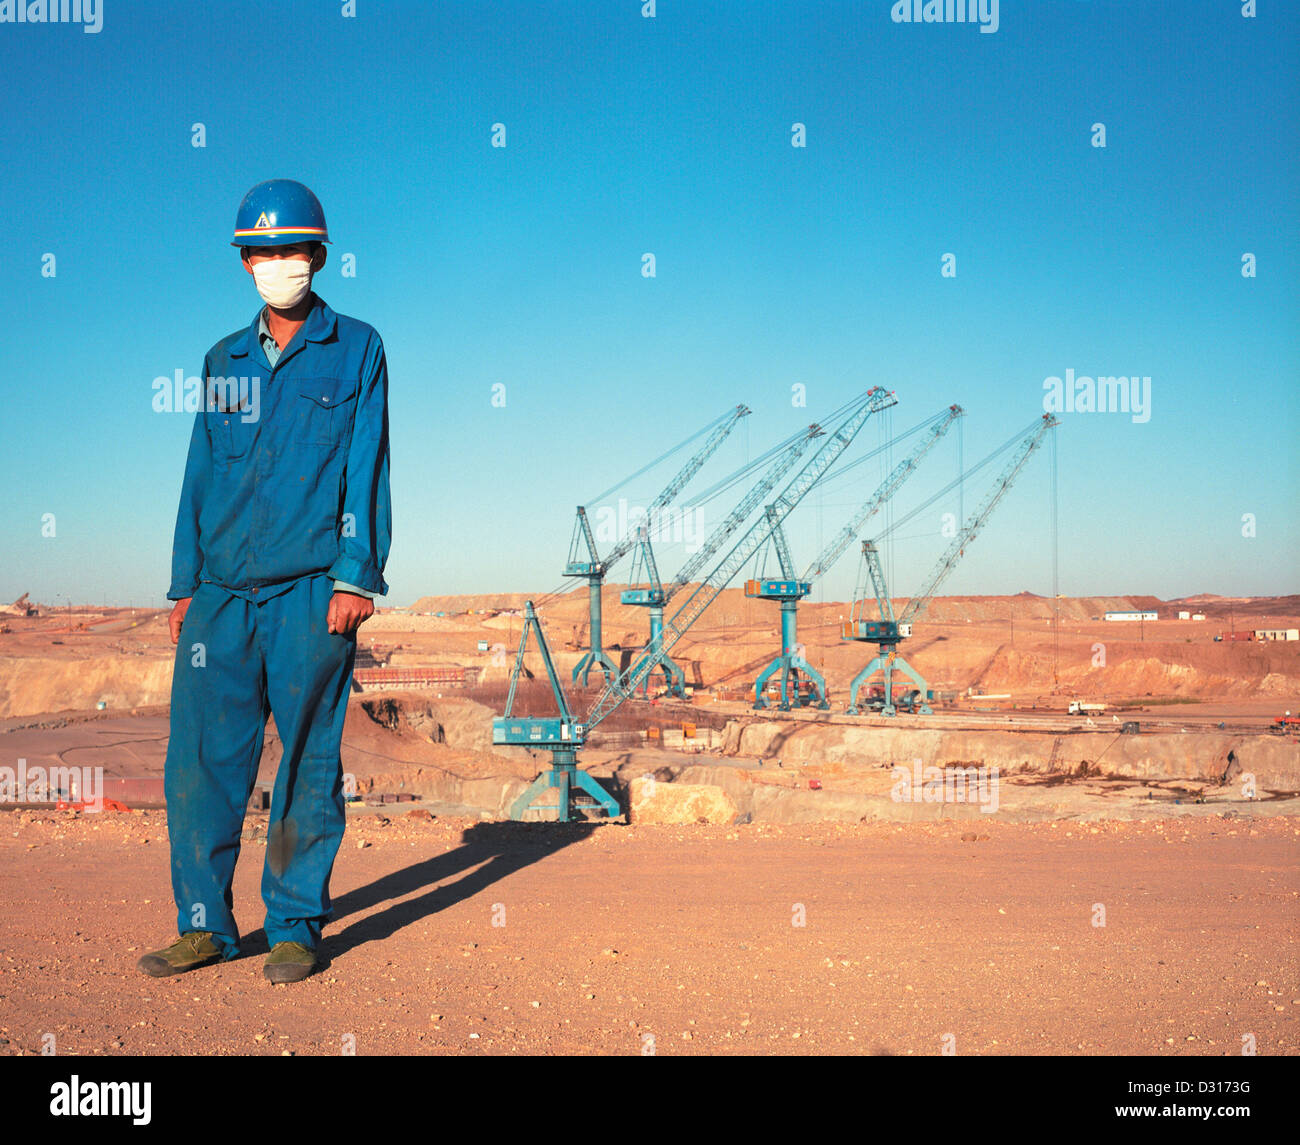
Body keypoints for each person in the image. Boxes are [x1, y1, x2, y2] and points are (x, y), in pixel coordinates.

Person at [138, 179, 391, 984]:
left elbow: (366, 467)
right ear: (246, 261)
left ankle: (292, 923)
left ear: (317, 256)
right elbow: (198, 476)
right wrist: (185, 585)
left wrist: (356, 575)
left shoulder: (357, 348)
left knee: (307, 766)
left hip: (310, 592)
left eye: (291, 249)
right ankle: (206, 926)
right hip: (219, 597)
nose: (277, 263)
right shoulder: (223, 360)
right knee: (201, 763)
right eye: (263, 251)